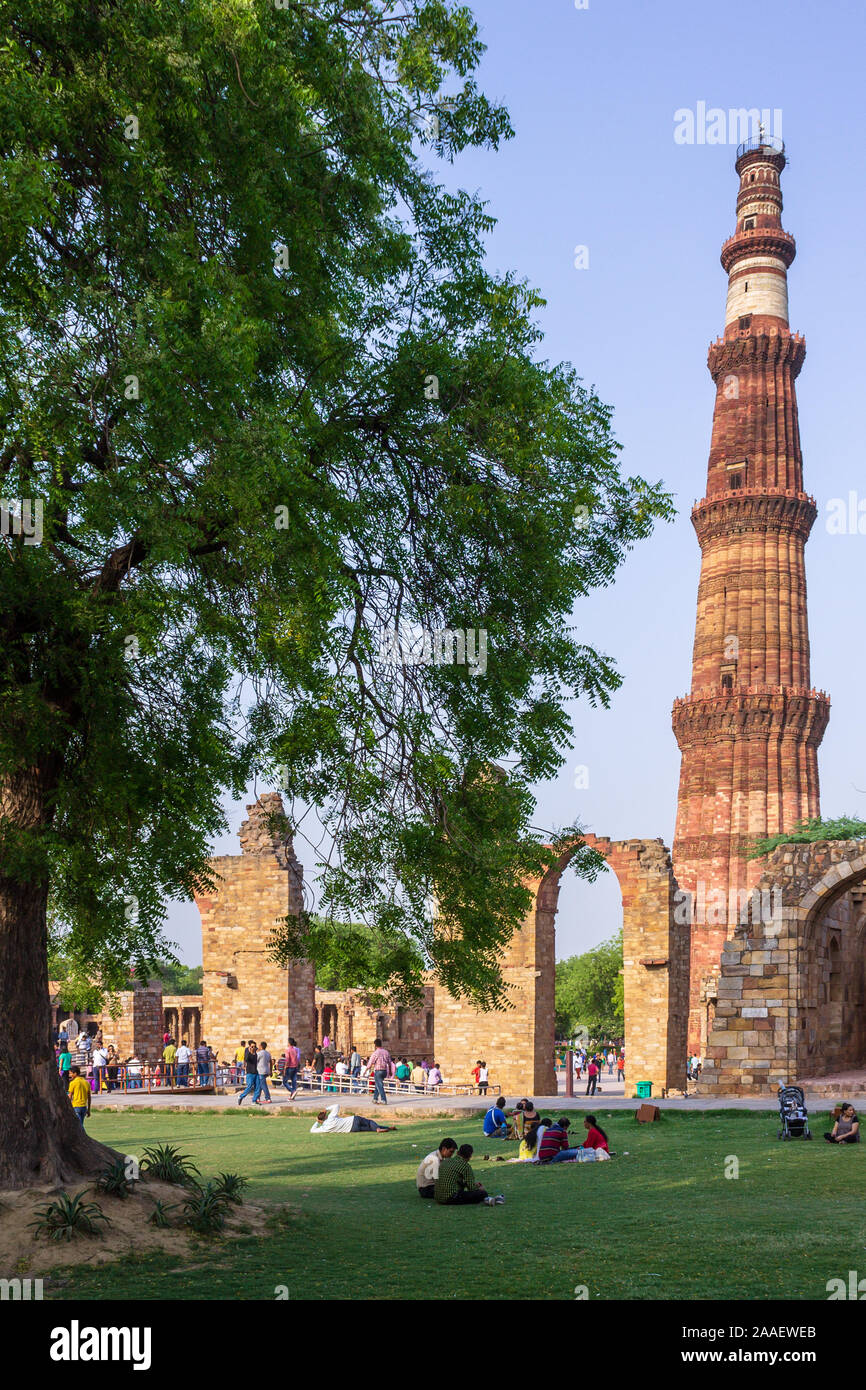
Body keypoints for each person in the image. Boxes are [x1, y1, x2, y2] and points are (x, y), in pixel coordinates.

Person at [434, 1144, 503, 1206]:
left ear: (458, 1153)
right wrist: (480, 1189)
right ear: (469, 1156)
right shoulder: (465, 1166)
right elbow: (472, 1188)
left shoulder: (446, 1161)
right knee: (482, 1194)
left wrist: (470, 1184)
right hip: (451, 1197)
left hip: (438, 1197)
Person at [310, 1104, 396, 1134]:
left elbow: (312, 1130)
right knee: (370, 1122)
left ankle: (387, 1128)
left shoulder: (324, 1128)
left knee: (370, 1128)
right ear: (325, 1116)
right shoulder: (331, 1117)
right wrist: (327, 1109)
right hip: (353, 1120)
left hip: (352, 1129)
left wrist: (317, 1122)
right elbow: (336, 1106)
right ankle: (378, 1129)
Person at [368, 1036, 392, 1105]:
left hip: (378, 1071)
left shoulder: (375, 1053)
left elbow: (370, 1062)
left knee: (380, 1085)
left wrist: (366, 1070)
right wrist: (390, 1071)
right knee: (378, 1084)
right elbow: (389, 1063)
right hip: (384, 1071)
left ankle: (383, 1099)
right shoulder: (386, 1052)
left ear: (375, 1045)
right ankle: (375, 1098)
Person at [237, 1041, 259, 1105]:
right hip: (250, 1072)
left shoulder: (256, 1054)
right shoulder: (248, 1053)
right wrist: (249, 1051)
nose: (253, 1048)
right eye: (252, 1046)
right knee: (249, 1086)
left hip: (256, 1072)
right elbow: (246, 1059)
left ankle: (254, 1101)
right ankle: (241, 1096)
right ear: (249, 1047)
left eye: (254, 1046)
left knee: (258, 1086)